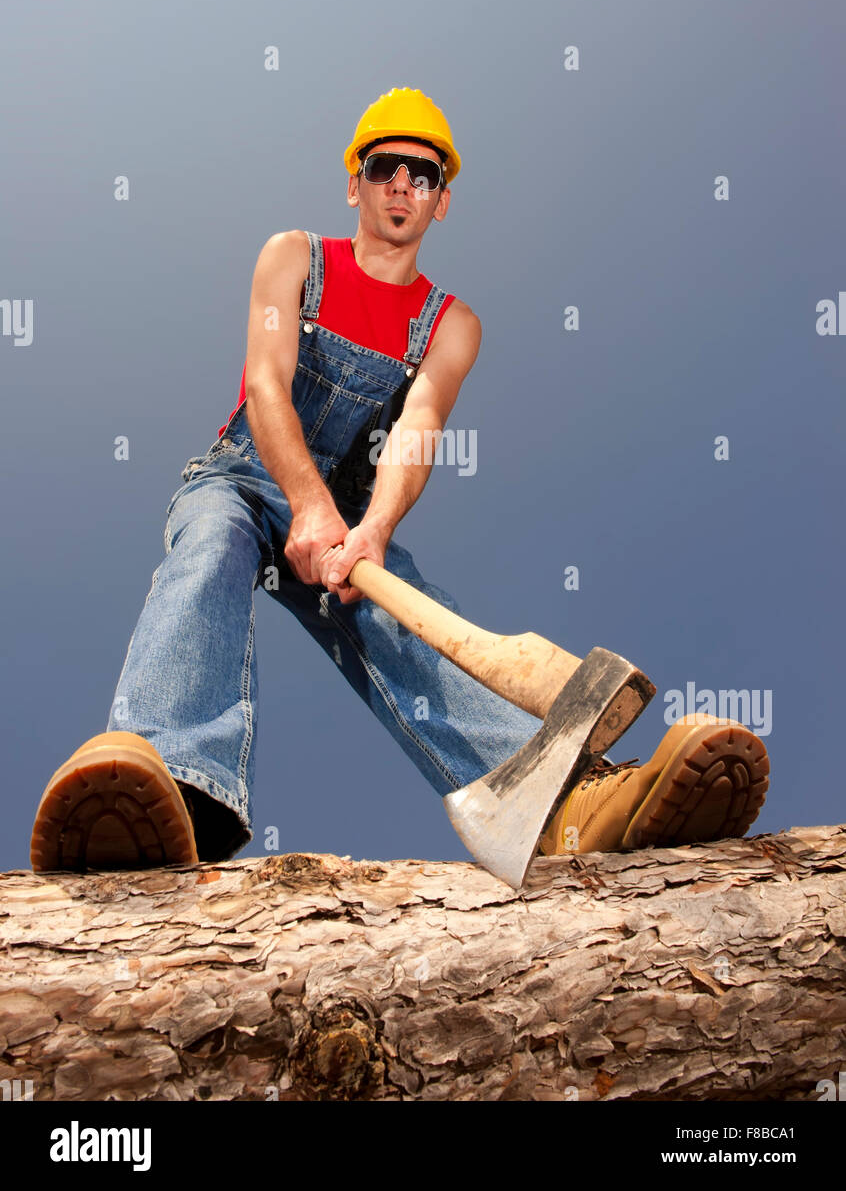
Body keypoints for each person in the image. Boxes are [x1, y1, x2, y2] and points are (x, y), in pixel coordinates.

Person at [30, 87, 770, 874]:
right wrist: (305, 504)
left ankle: (563, 802)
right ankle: (164, 788)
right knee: (208, 546)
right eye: (386, 168)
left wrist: (371, 532)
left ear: (443, 200)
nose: (402, 187)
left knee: (402, 619)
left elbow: (416, 432)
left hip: (354, 515)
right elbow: (268, 388)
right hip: (244, 476)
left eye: (424, 175)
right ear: (356, 182)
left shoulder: (451, 324)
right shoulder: (293, 257)